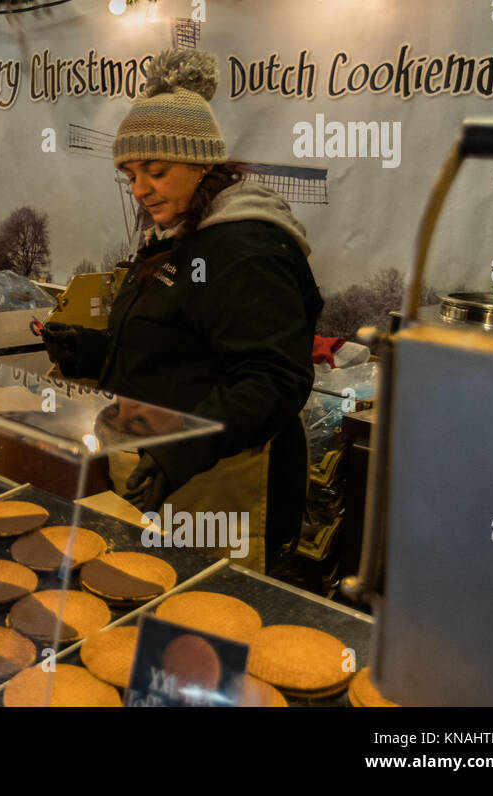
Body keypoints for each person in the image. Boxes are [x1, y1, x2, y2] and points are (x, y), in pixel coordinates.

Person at [41, 48, 323, 572]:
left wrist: (181, 452)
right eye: (129, 174)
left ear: (202, 163)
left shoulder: (245, 249)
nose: (140, 189)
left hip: (220, 477)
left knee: (212, 627)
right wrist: (95, 351)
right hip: (163, 465)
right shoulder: (175, 238)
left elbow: (272, 380)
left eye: (156, 170)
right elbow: (181, 347)